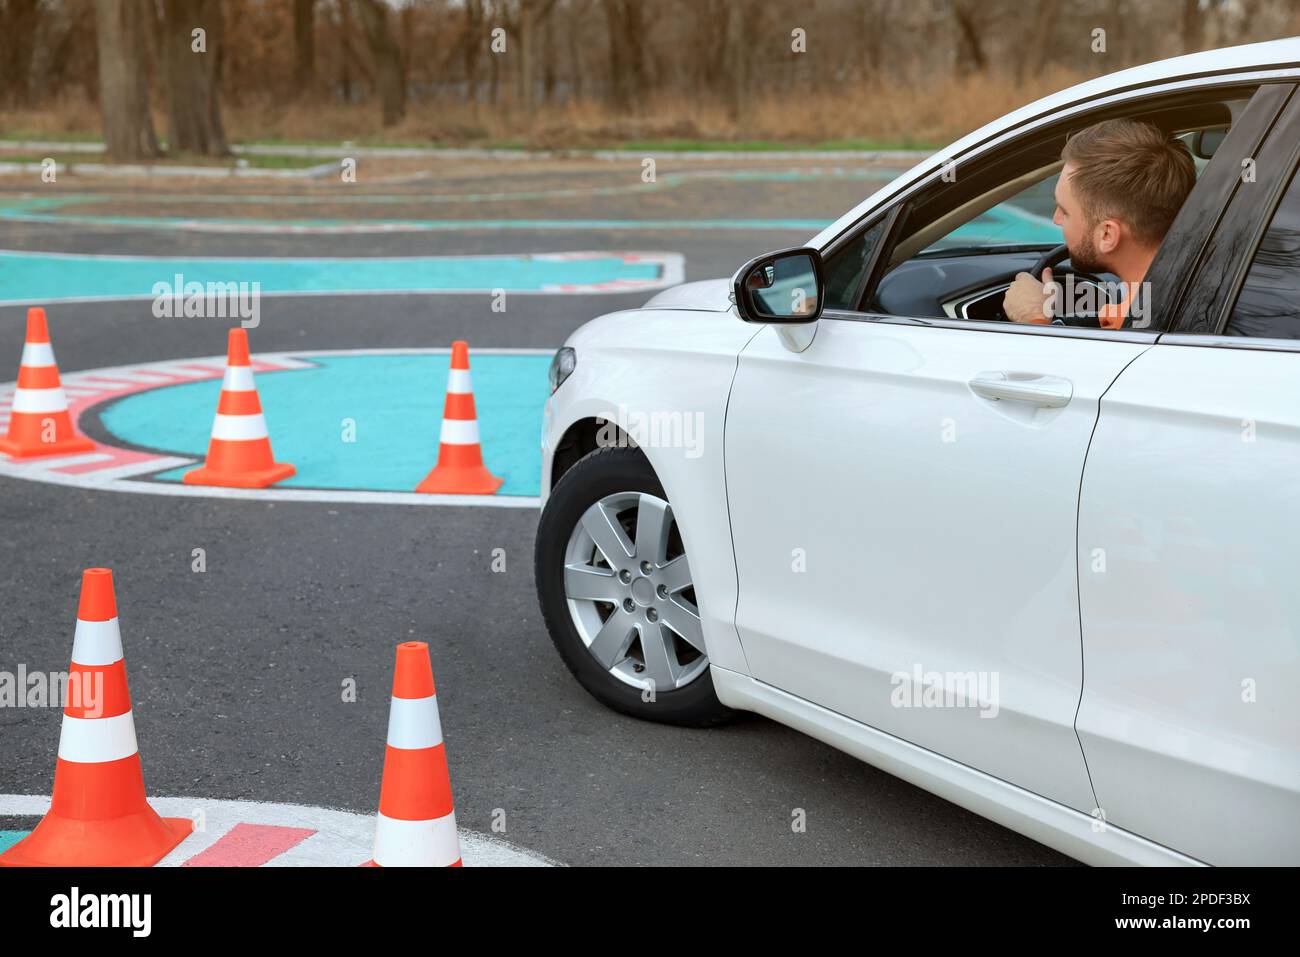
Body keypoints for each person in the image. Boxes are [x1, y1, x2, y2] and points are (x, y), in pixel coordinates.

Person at [1003, 118, 1197, 327]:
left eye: (1065, 211)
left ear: (1107, 235)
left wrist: (1034, 320)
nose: (1056, 219)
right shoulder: (1194, 294)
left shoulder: (1144, 329)